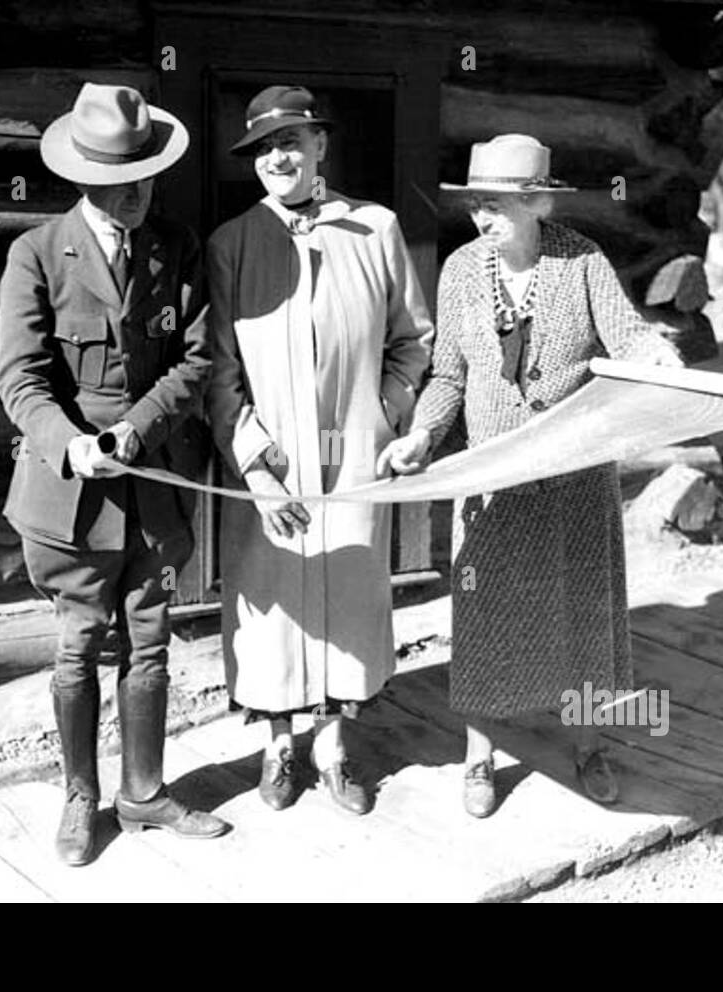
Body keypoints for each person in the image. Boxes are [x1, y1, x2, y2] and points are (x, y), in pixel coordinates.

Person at [378, 134, 683, 818]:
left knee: (582, 615)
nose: (483, 217)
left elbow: (628, 336)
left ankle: (588, 745)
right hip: (495, 476)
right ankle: (479, 757)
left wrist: (657, 356)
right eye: (477, 203)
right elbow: (449, 375)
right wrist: (423, 433)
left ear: (538, 202)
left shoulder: (582, 262)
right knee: (485, 613)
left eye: (500, 204)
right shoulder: (460, 270)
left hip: (574, 473)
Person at [0, 83, 229, 865]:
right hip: (68, 496)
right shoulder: (35, 253)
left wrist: (139, 428)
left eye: (147, 178)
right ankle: (79, 797)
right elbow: (20, 379)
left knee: (152, 642)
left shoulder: (177, 244)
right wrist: (73, 443)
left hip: (155, 479)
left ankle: (145, 794)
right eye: (121, 182)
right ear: (83, 176)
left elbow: (199, 358)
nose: (137, 196)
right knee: (78, 646)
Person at [206, 85, 434, 815]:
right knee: (273, 610)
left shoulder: (376, 230)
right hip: (272, 471)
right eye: (265, 148)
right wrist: (254, 463)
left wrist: (383, 416)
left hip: (351, 464)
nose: (280, 157)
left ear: (321, 147)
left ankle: (335, 751)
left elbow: (412, 342)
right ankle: (277, 749)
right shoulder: (232, 245)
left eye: (293, 142)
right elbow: (217, 371)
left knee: (349, 605)